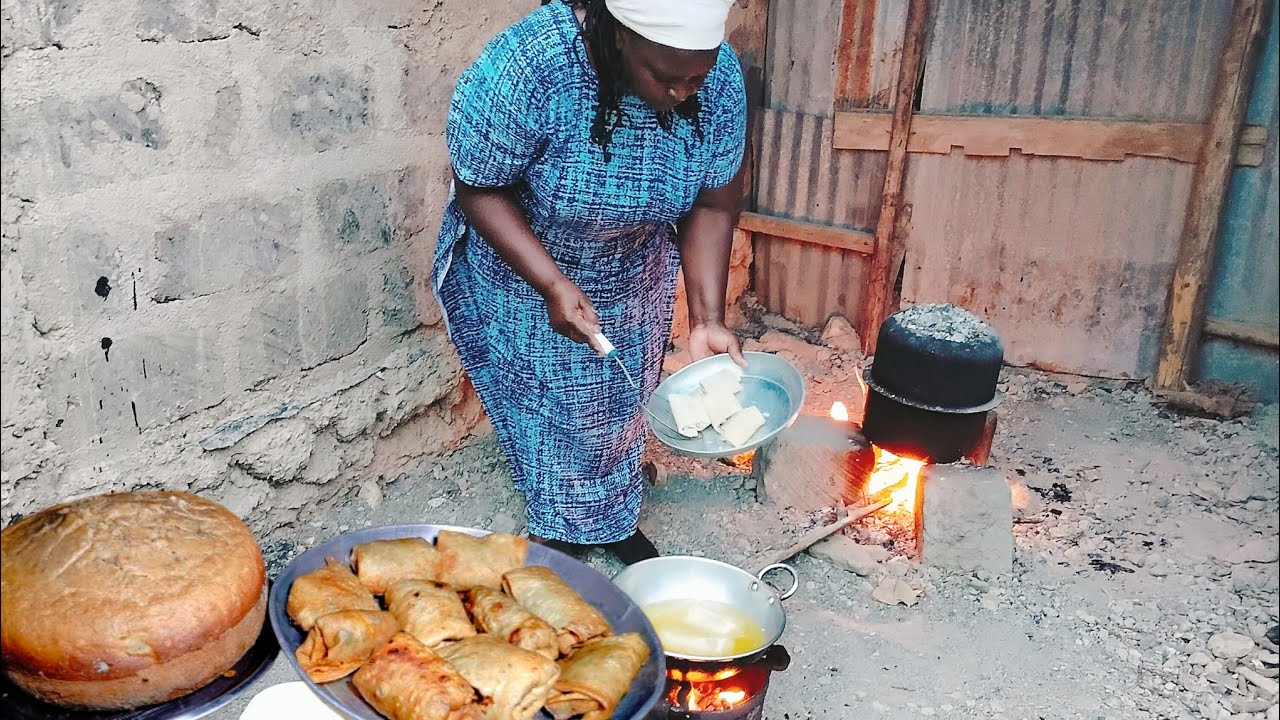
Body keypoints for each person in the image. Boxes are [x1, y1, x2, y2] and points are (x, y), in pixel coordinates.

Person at [432, 0, 747, 565]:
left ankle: (609, 518)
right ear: (621, 38)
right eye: (669, 78)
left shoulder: (715, 80)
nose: (687, 93)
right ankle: (558, 529)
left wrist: (707, 319)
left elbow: (714, 201)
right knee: (546, 406)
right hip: (528, 263)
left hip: (635, 266)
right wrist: (552, 283)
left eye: (698, 76)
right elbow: (477, 186)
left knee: (621, 402)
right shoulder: (532, 64)